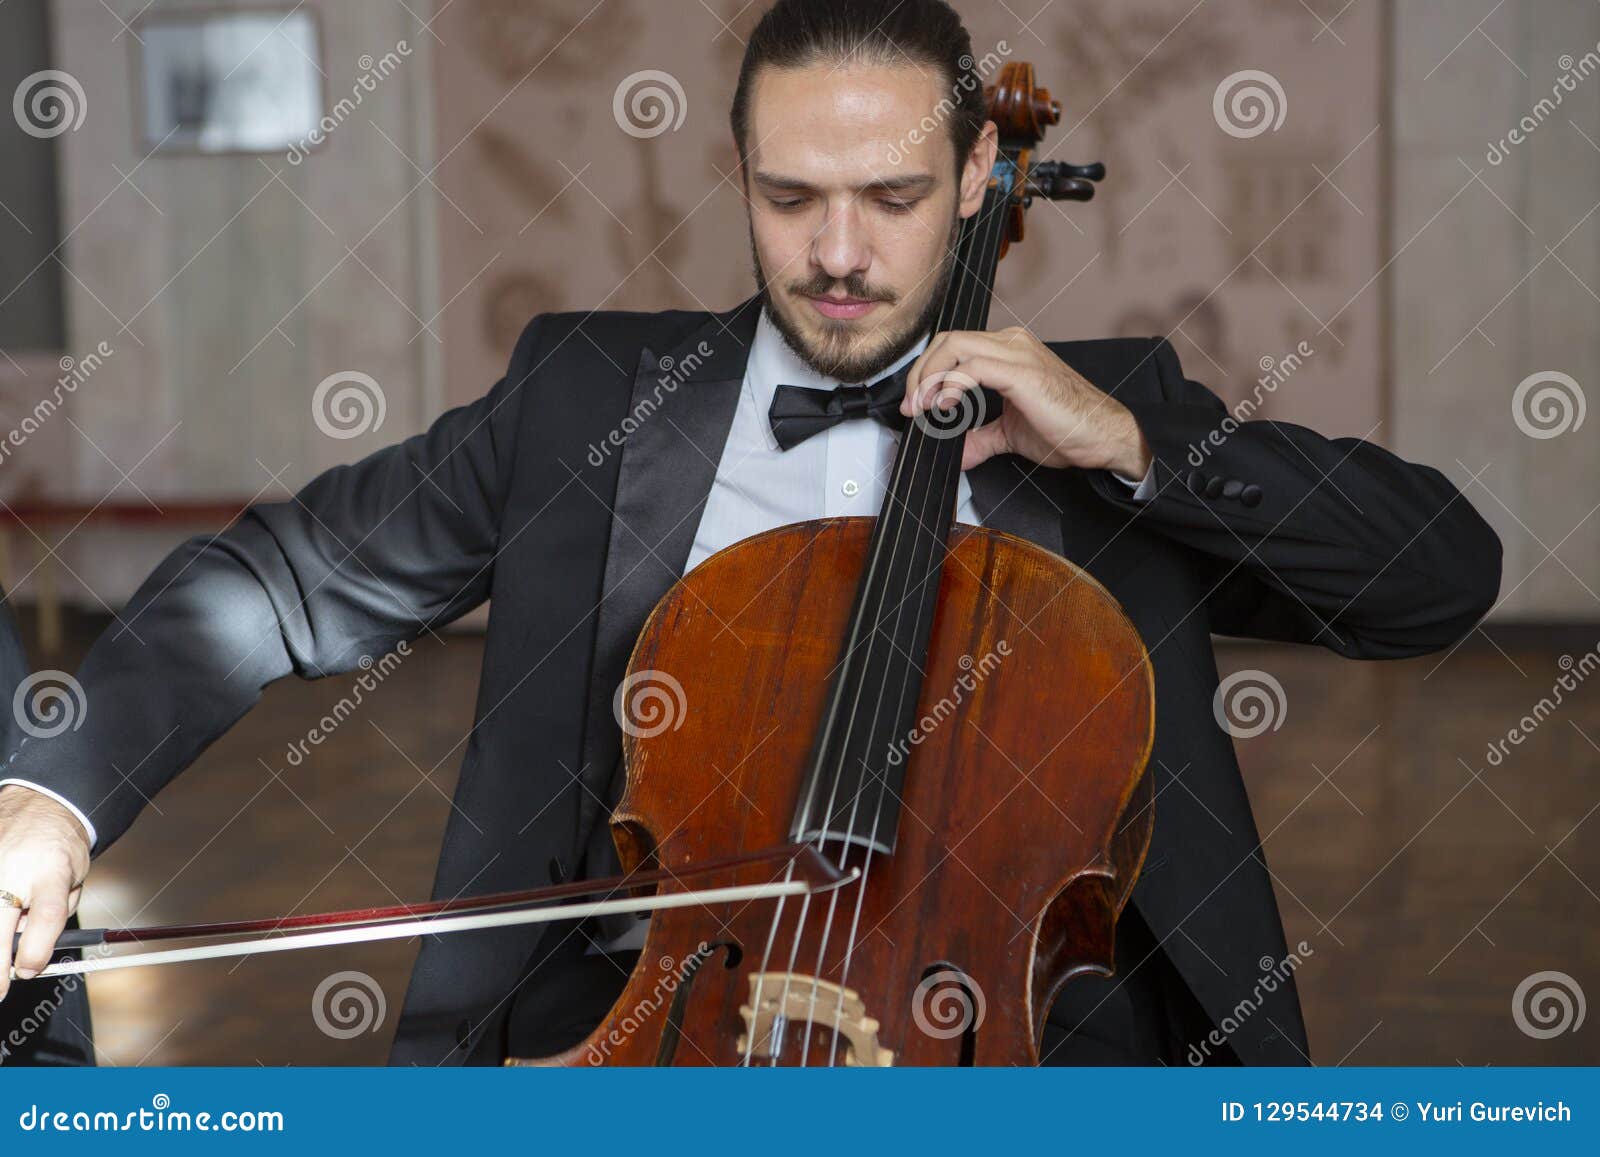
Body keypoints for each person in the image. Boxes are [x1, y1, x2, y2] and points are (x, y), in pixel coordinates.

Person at [0, 0, 1500, 1065]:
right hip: (646, 1039)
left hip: (1031, 1047)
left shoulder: (1110, 414)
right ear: (737, 178)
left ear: (982, 176)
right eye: (791, 199)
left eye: (892, 197)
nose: (837, 254)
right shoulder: (585, 396)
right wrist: (50, 802)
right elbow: (272, 581)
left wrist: (1137, 448)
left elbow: (1439, 578)